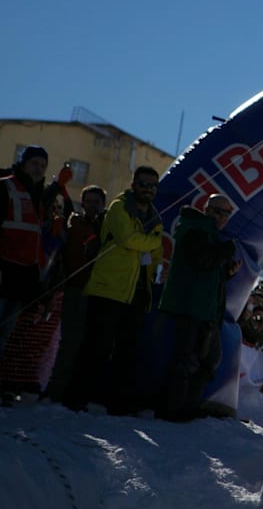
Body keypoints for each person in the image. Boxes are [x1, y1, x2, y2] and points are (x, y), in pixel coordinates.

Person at [67, 167, 163, 414]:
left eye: (153, 185)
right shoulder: (120, 207)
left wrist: (151, 247)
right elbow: (127, 238)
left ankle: (117, 402)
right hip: (108, 288)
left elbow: (156, 255)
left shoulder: (155, 216)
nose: (149, 189)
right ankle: (76, 397)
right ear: (134, 184)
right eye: (144, 184)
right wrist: (152, 242)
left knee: (126, 351)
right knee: (96, 347)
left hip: (137, 291)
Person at [158, 194, 240, 421]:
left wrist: (226, 273)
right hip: (190, 307)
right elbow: (201, 262)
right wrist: (225, 251)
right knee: (186, 361)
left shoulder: (210, 234)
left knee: (207, 360)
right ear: (207, 210)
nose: (222, 217)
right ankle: (174, 409)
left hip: (205, 309)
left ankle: (188, 406)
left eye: (227, 213)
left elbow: (206, 272)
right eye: (218, 211)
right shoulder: (195, 230)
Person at [0, 146, 71, 363]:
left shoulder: (36, 197)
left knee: (5, 333)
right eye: (34, 164)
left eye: (43, 165)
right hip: (4, 269)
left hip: (22, 275)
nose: (39, 169)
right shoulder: (7, 186)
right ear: (23, 164)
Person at [45, 185, 107, 401]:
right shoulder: (73, 225)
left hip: (99, 292)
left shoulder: (105, 227)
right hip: (75, 287)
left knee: (89, 343)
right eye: (88, 201)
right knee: (70, 341)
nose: (91, 206)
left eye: (96, 202)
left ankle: (77, 391)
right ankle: (57, 389)